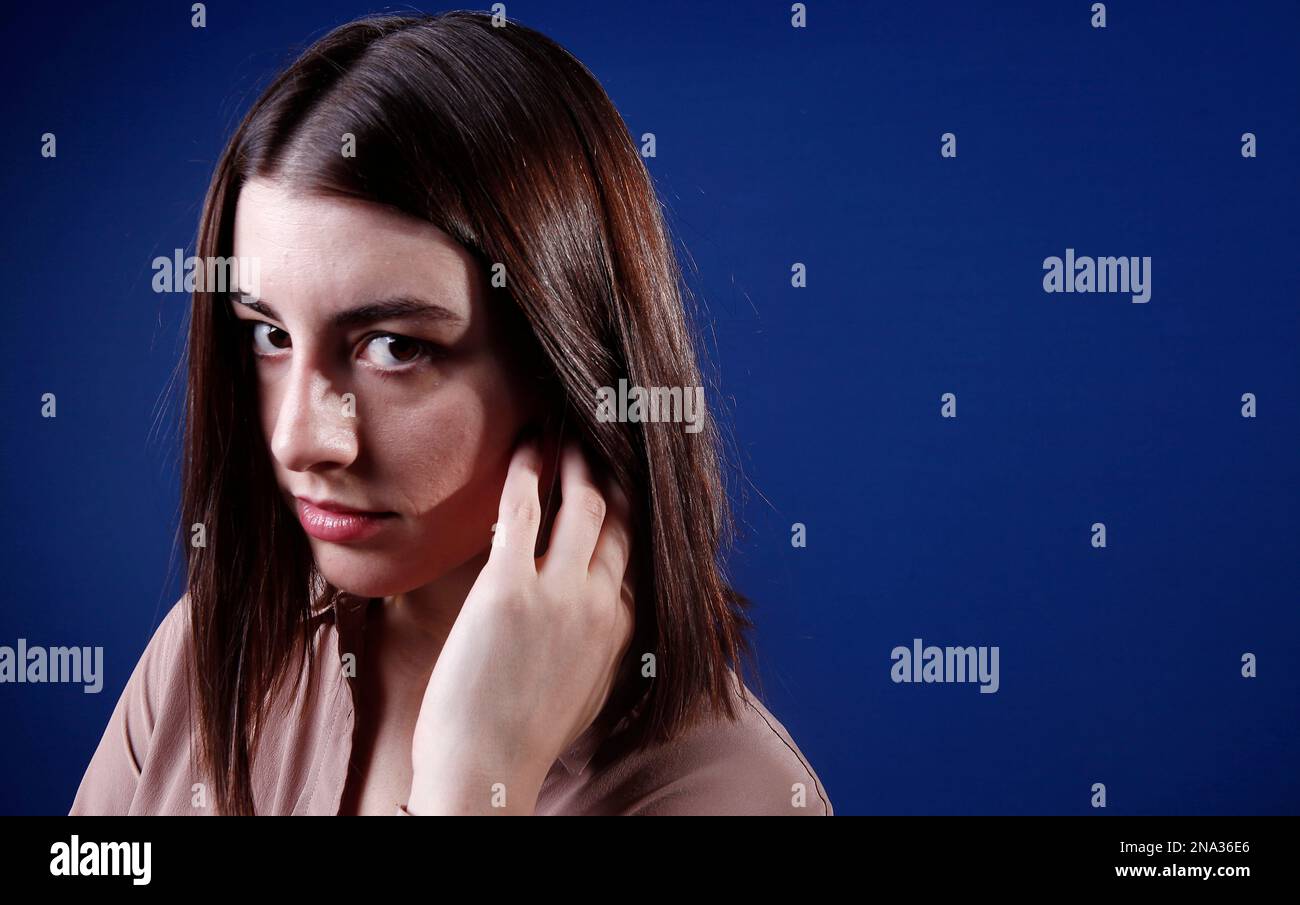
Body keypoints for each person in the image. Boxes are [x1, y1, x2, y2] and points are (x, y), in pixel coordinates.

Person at [69, 10, 832, 816]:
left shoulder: (732, 795)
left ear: (567, 366)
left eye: (395, 347)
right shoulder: (211, 652)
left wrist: (477, 777)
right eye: (270, 334)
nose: (298, 439)